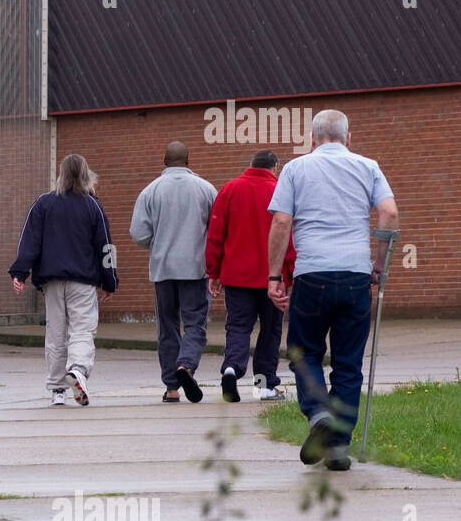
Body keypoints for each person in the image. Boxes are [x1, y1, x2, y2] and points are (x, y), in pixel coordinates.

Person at [266, 109, 398, 471]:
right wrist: (379, 264)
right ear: (348, 138)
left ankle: (320, 413)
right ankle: (338, 447)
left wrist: (274, 276)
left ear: (313, 139)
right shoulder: (367, 166)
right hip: (355, 275)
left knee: (304, 352)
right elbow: (388, 212)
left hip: (312, 276)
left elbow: (281, 220)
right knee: (348, 363)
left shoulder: (295, 169)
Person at [9, 154, 118, 406]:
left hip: (52, 281)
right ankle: (77, 370)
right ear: (85, 175)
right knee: (82, 329)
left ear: (61, 174)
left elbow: (30, 241)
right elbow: (105, 247)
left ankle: (57, 389)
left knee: (56, 333)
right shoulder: (93, 206)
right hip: (83, 280)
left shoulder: (43, 203)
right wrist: (109, 281)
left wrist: (20, 272)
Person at [129, 141, 218, 403]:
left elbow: (138, 233)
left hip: (163, 269)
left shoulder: (150, 191)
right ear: (189, 159)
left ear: (164, 160)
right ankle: (186, 366)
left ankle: (171, 387)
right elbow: (216, 230)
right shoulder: (206, 189)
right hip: (195, 268)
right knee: (194, 324)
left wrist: (156, 245)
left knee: (167, 326)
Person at [206, 150, 297, 402]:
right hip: (273, 276)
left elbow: (215, 233)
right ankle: (263, 386)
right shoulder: (281, 190)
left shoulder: (229, 189)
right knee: (270, 331)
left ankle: (231, 369)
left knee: (237, 326)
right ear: (275, 167)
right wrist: (288, 274)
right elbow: (288, 236)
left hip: (237, 276)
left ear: (250, 164)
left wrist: (213, 271)